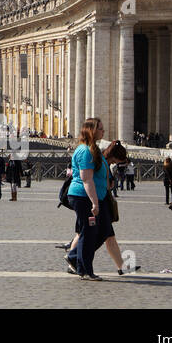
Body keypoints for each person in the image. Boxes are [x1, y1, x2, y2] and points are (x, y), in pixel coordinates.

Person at [65, 118, 111, 279]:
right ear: (92, 130)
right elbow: (86, 179)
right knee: (89, 232)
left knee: (102, 231)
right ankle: (85, 268)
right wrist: (94, 202)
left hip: (94, 196)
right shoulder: (85, 151)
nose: (103, 131)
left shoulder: (94, 149)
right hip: (83, 197)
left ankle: (74, 257)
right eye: (100, 129)